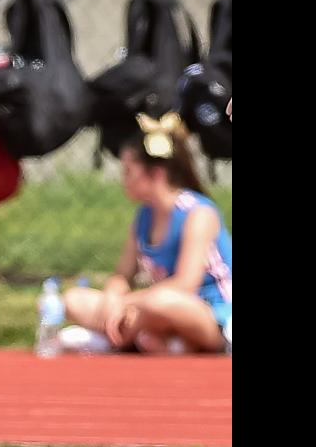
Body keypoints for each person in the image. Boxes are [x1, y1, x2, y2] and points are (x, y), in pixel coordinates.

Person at [61, 113, 232, 355]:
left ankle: (123, 338)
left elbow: (185, 284)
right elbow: (122, 275)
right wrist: (111, 298)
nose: (123, 180)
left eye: (129, 171)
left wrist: (125, 303)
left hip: (209, 313)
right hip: (151, 309)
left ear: (157, 174)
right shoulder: (144, 216)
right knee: (73, 300)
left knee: (161, 303)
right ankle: (156, 341)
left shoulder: (198, 213)